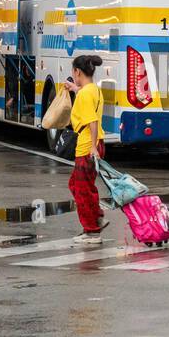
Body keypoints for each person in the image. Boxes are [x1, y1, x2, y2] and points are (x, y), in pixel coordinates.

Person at [64, 53, 107, 245]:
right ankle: (97, 217)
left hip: (87, 147)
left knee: (81, 189)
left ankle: (91, 230)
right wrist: (75, 89)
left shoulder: (84, 94)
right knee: (79, 185)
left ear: (77, 71)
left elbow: (92, 121)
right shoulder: (94, 90)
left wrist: (92, 147)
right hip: (96, 144)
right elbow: (86, 97)